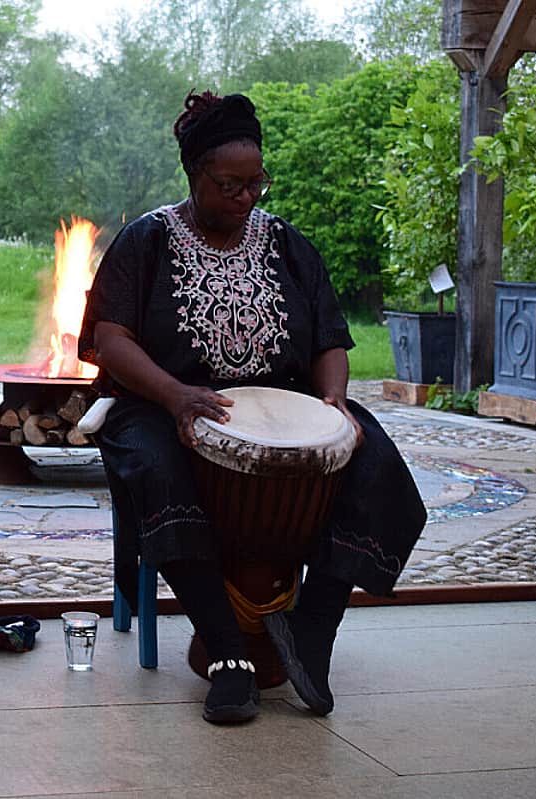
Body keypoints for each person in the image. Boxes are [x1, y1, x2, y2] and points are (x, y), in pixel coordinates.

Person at [78, 91, 426, 724]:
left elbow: (329, 340)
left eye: (255, 185)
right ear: (195, 175)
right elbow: (110, 340)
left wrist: (331, 405)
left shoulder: (287, 245)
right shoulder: (147, 241)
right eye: (229, 184)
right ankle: (228, 653)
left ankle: (312, 630)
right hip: (160, 401)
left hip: (282, 403)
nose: (244, 197)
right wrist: (176, 395)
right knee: (159, 468)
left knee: (376, 464)